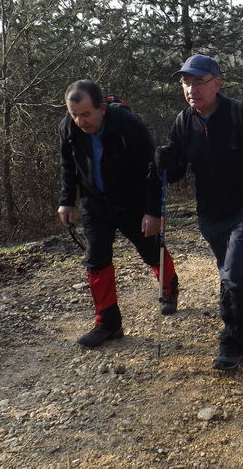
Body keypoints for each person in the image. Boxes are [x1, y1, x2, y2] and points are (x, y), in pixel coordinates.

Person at [155, 55, 243, 371]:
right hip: (209, 214)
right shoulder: (184, 122)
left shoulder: (241, 116)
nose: (191, 88)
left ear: (216, 83)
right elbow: (180, 170)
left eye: (198, 81)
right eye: (186, 82)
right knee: (229, 270)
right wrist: (165, 162)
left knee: (234, 270)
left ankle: (232, 341)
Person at [58, 80, 179, 348]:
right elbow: (68, 166)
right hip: (96, 205)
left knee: (151, 251)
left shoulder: (127, 124)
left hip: (133, 203)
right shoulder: (68, 128)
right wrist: (66, 201)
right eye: (74, 114)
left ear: (101, 108)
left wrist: (152, 212)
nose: (80, 121)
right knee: (96, 261)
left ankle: (169, 289)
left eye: (86, 114)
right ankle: (108, 324)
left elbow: (153, 169)